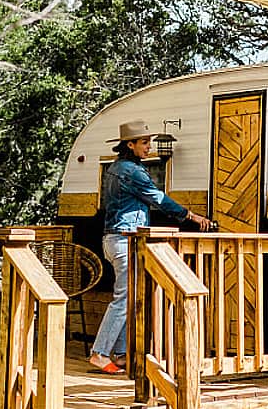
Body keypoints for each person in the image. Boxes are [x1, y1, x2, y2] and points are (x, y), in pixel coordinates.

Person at [90, 120, 214, 373]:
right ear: (130, 144)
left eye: (150, 142)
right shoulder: (132, 171)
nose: (149, 147)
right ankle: (100, 353)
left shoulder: (116, 168)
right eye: (145, 143)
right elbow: (158, 199)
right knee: (123, 298)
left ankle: (122, 354)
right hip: (125, 240)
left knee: (129, 296)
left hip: (114, 239)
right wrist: (192, 216)